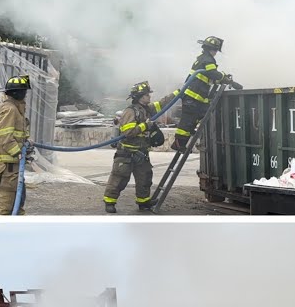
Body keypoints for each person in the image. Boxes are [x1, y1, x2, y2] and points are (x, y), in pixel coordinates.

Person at [169, 36, 242, 151]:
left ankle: (184, 142)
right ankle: (178, 144)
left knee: (197, 118)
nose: (216, 53)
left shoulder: (203, 59)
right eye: (215, 50)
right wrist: (227, 80)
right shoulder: (208, 59)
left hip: (196, 98)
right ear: (211, 49)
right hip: (192, 97)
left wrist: (224, 80)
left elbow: (209, 77)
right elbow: (213, 73)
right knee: (187, 122)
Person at [104, 81, 163, 213]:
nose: (149, 97)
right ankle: (109, 202)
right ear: (140, 97)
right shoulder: (130, 112)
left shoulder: (147, 109)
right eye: (147, 95)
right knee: (119, 179)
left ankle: (143, 202)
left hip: (141, 152)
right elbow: (128, 132)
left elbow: (162, 103)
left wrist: (179, 92)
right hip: (127, 153)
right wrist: (145, 126)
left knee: (145, 179)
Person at [0, 75, 32, 215]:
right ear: (17, 93)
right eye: (24, 92)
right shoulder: (10, 109)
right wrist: (17, 152)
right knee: (7, 199)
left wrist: (26, 142)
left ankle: (16, 218)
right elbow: (4, 136)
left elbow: (17, 131)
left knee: (18, 195)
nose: (25, 95)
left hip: (13, 162)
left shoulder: (15, 108)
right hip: (8, 162)